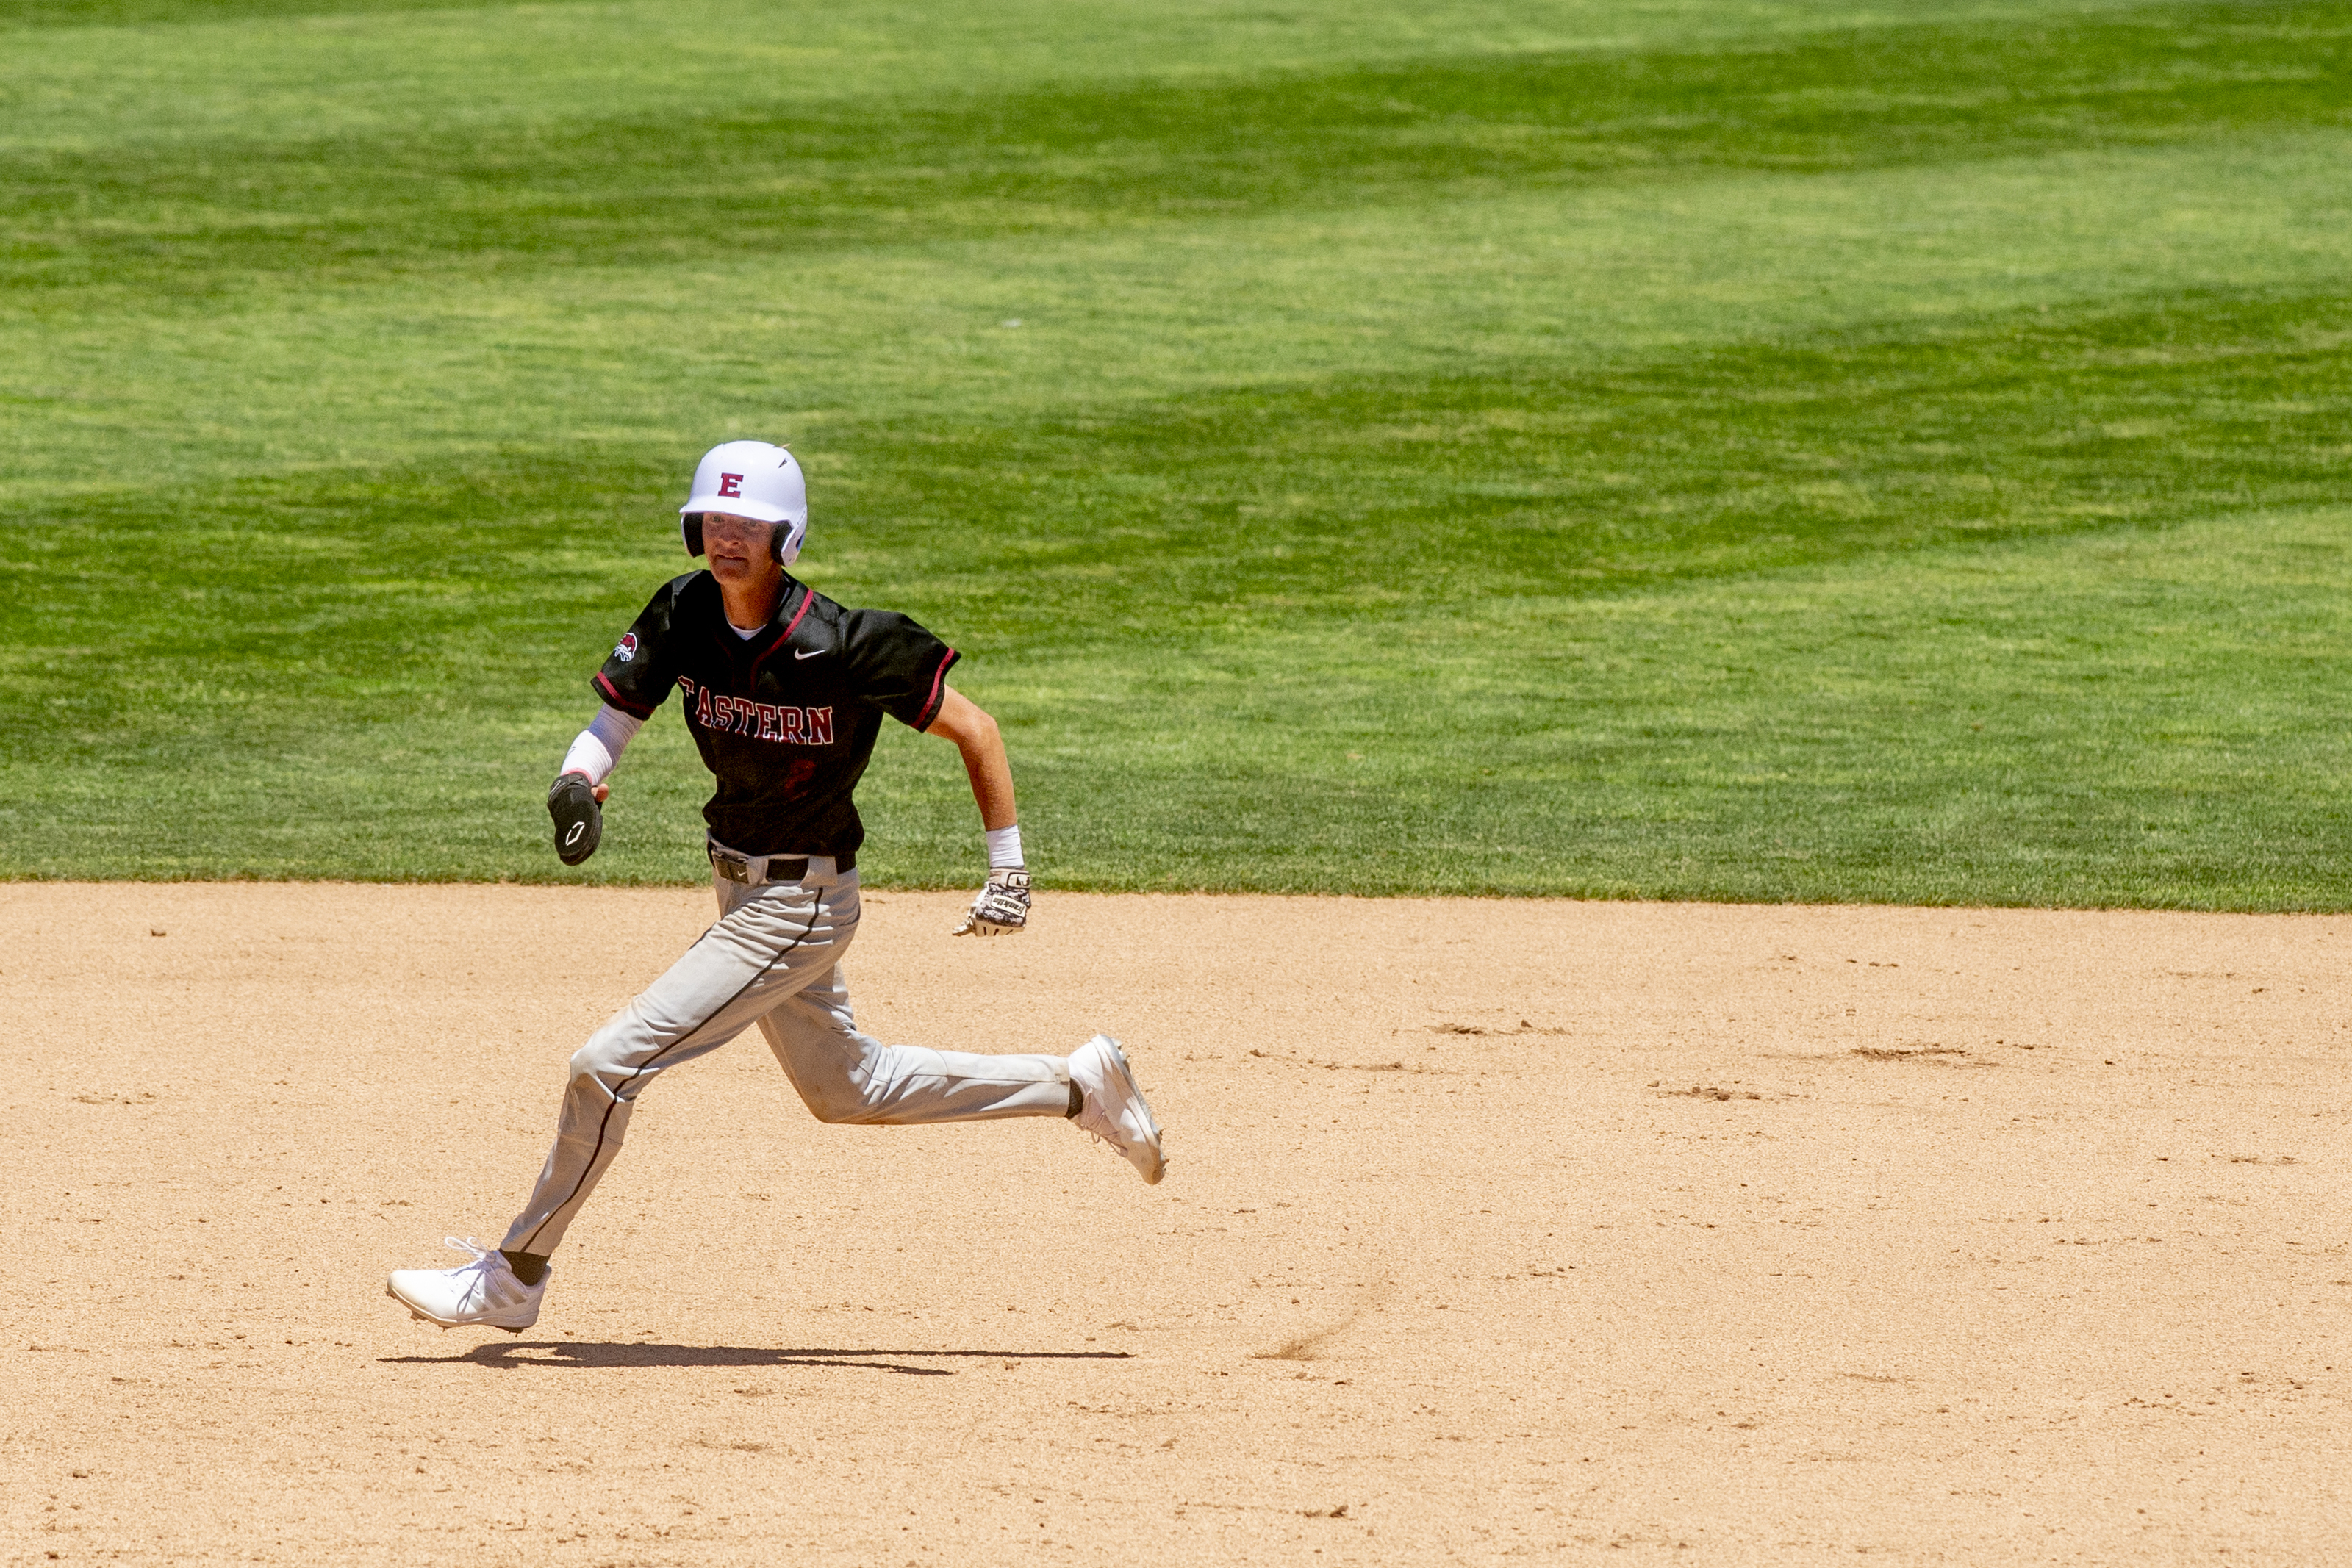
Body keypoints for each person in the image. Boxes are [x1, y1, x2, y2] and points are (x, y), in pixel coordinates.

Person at [387, 440, 1164, 1333]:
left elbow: (977, 731)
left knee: (604, 1068)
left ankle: (513, 1275)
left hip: (802, 903)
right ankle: (1078, 1085)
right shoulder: (684, 612)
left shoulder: (848, 643)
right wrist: (577, 778)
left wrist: (1008, 869)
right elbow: (615, 716)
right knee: (848, 1088)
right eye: (714, 520)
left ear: (783, 535)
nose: (727, 538)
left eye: (746, 523)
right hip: (738, 891)